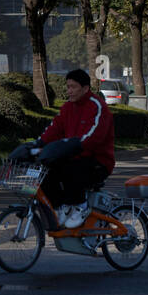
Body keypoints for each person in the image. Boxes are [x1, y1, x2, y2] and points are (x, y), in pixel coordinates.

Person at [14, 69, 115, 228]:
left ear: (85, 88)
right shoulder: (68, 107)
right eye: (67, 87)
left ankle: (80, 206)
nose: (69, 91)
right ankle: (60, 208)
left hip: (98, 161)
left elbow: (93, 136)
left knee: (71, 169)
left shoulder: (97, 106)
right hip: (73, 156)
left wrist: (70, 146)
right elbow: (54, 130)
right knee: (45, 170)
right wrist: (36, 144)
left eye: (73, 87)